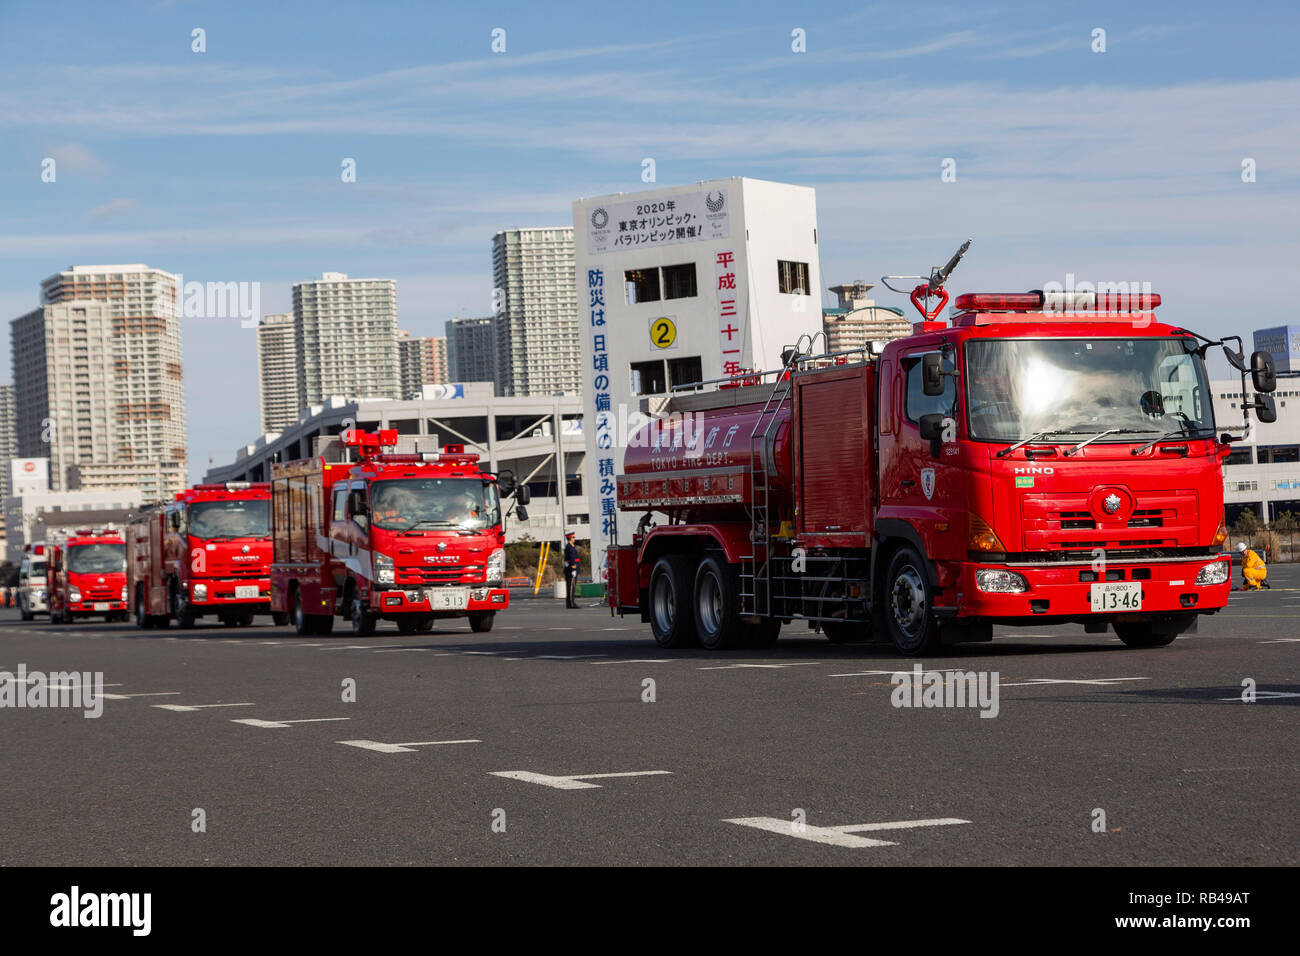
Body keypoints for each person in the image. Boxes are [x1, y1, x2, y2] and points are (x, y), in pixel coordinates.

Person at [563, 532, 580, 609]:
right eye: (573, 537)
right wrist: (573, 569)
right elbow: (572, 559)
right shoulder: (569, 547)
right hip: (571, 570)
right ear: (570, 538)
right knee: (571, 588)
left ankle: (569, 604)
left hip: (570, 569)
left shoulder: (570, 546)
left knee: (571, 587)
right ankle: (571, 604)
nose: (574, 539)